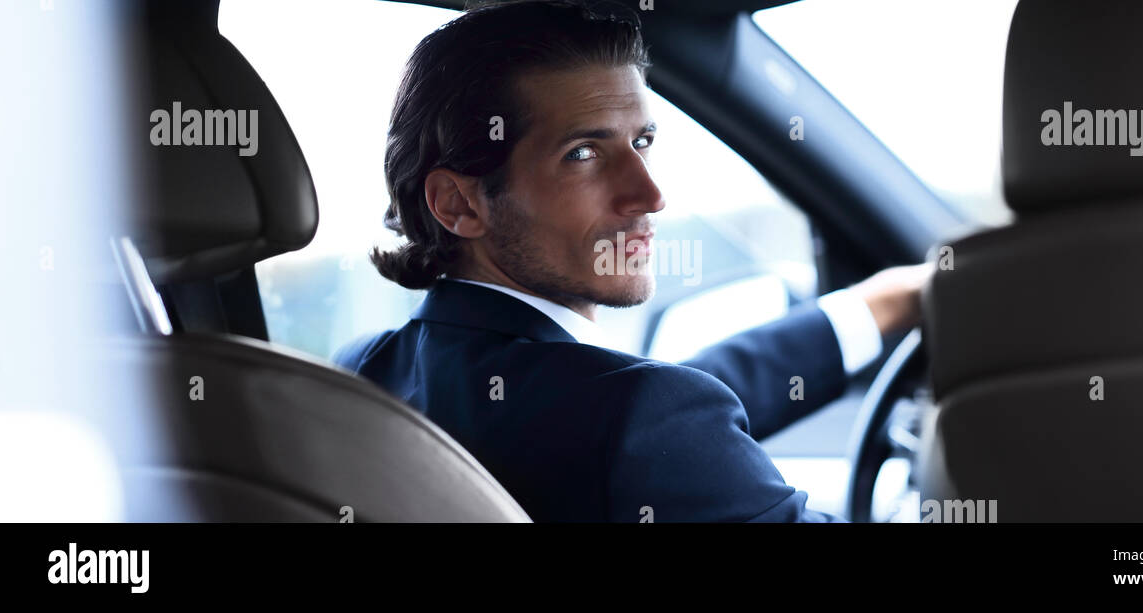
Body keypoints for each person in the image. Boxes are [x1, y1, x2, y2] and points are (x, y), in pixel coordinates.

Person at [335, 0, 932, 522]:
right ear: (459, 203)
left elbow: (647, 405)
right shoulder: (641, 421)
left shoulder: (365, 373)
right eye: (584, 153)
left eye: (641, 143)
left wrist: (881, 306)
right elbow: (651, 419)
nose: (649, 194)